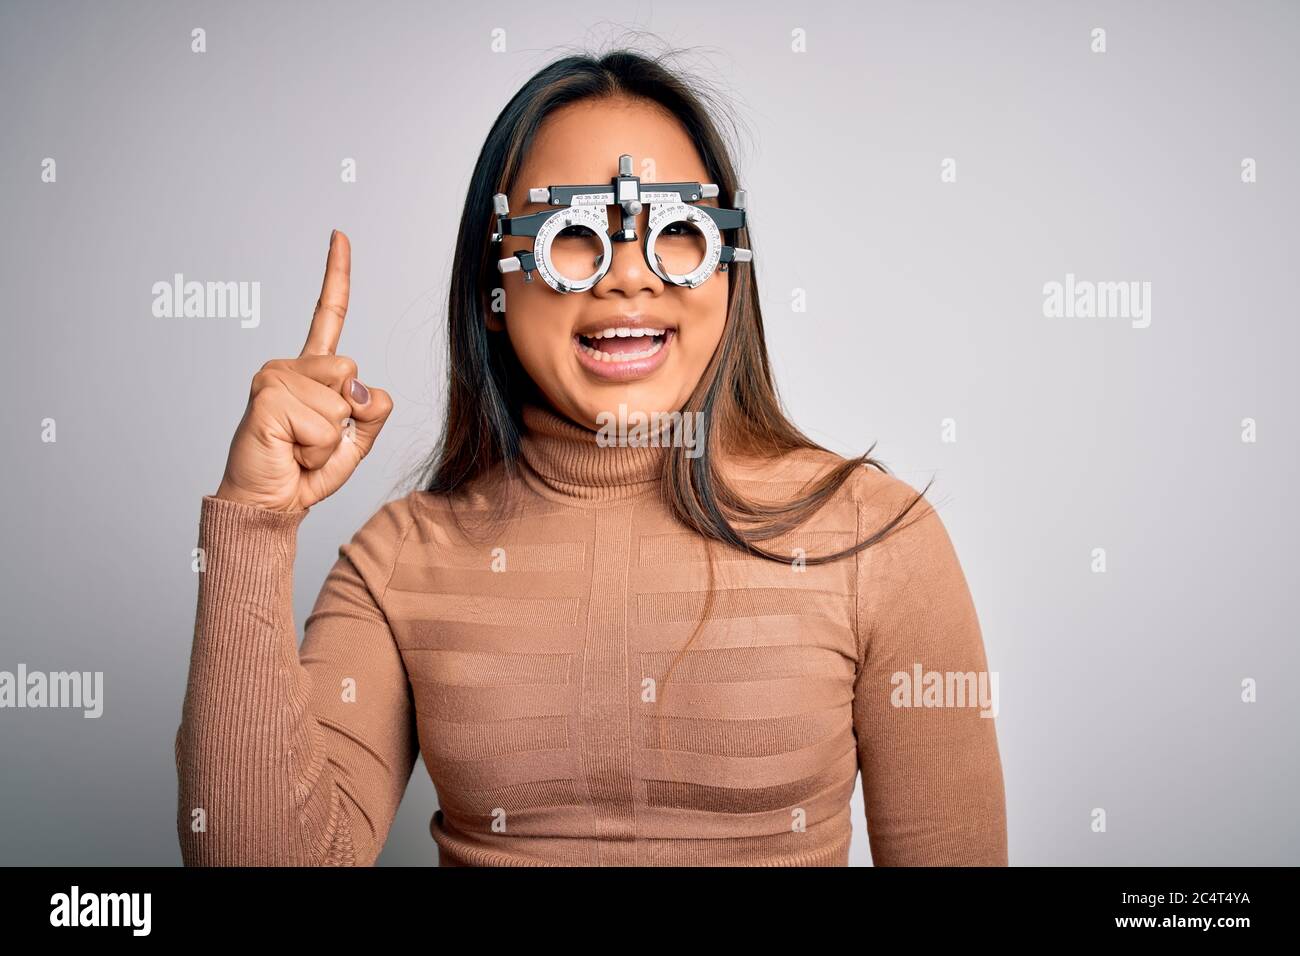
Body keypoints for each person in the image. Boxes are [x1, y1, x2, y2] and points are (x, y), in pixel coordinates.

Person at [174, 48, 1008, 867]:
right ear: (495, 291)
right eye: (573, 238)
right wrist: (254, 523)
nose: (630, 278)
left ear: (730, 270)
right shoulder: (400, 560)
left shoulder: (875, 537)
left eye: (677, 231)